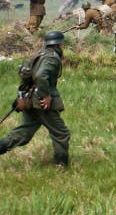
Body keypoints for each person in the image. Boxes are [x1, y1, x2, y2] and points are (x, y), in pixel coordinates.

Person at [0, 31, 70, 167]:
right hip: (41, 103)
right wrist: (46, 96)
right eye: (62, 43)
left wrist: (21, 96)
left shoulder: (39, 54)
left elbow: (24, 72)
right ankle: (61, 166)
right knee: (61, 133)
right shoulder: (52, 57)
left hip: (29, 99)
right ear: (59, 44)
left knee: (24, 133)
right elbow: (40, 75)